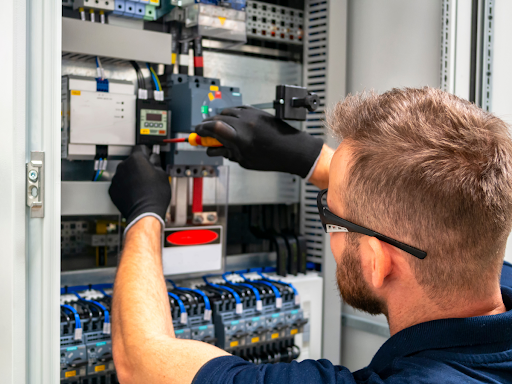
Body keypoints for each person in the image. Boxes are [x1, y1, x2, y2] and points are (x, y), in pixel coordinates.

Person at [108, 87, 512, 384]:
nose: (327, 218)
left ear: (377, 262)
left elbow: (139, 361)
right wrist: (308, 156)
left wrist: (144, 214)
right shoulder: (480, 261)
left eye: (329, 213)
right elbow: (435, 193)